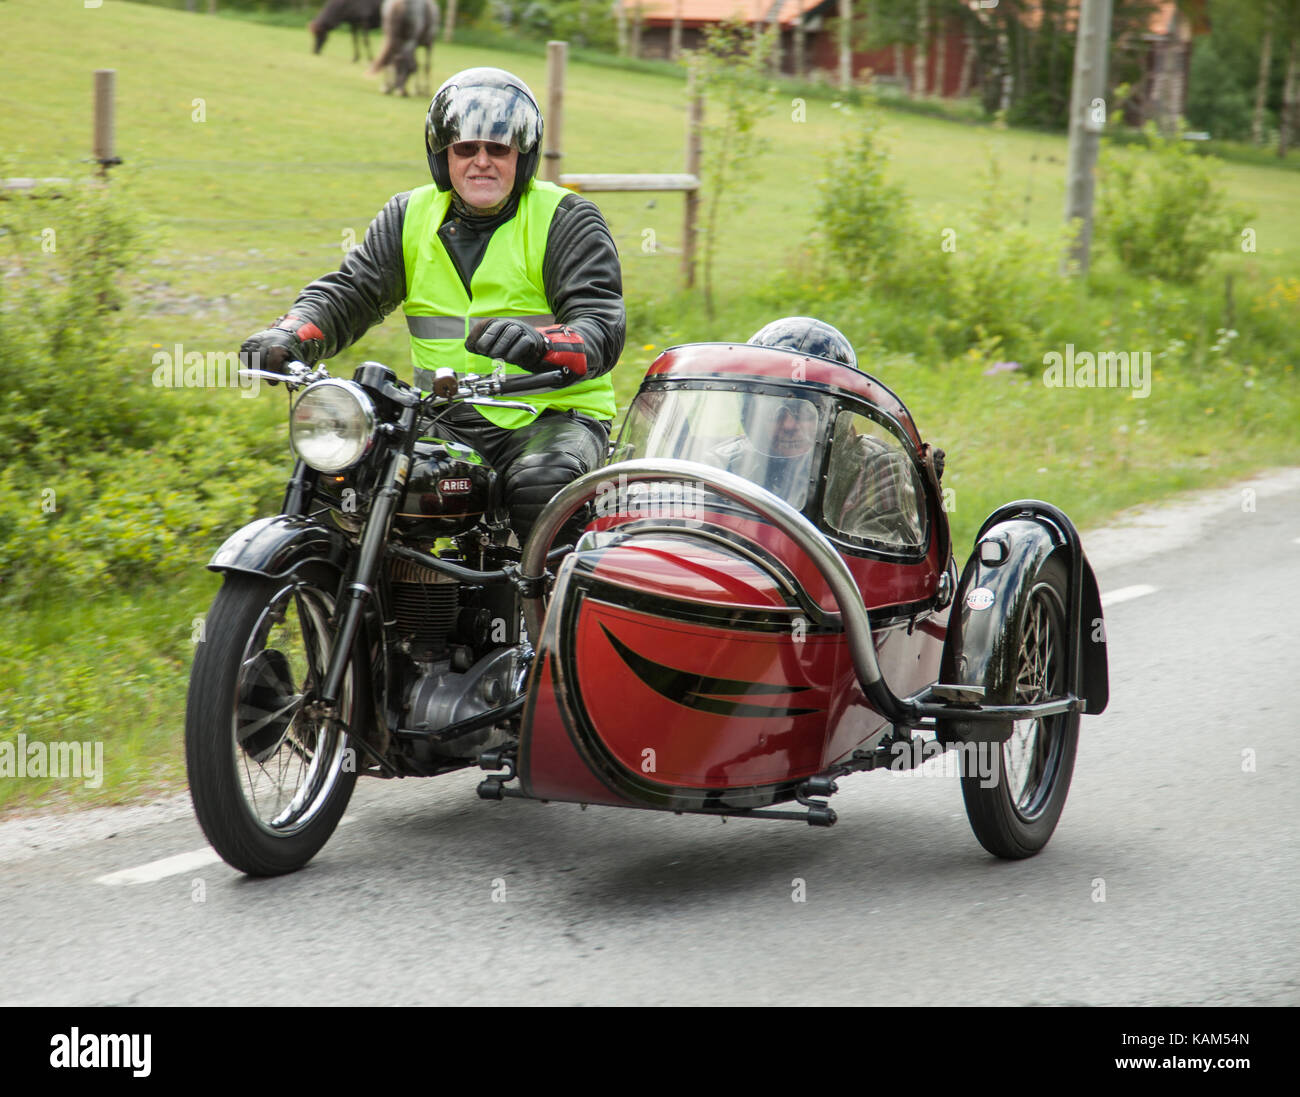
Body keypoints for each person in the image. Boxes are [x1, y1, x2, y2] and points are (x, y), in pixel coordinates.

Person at [239, 66, 625, 545]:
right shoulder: (409, 215)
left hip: (548, 415)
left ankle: (551, 614)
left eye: (498, 149)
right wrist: (293, 333)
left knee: (539, 487)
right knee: (345, 475)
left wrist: (539, 344)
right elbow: (351, 292)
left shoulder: (565, 217)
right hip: (444, 415)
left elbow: (600, 324)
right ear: (442, 156)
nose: (481, 162)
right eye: (465, 149)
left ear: (522, 157)